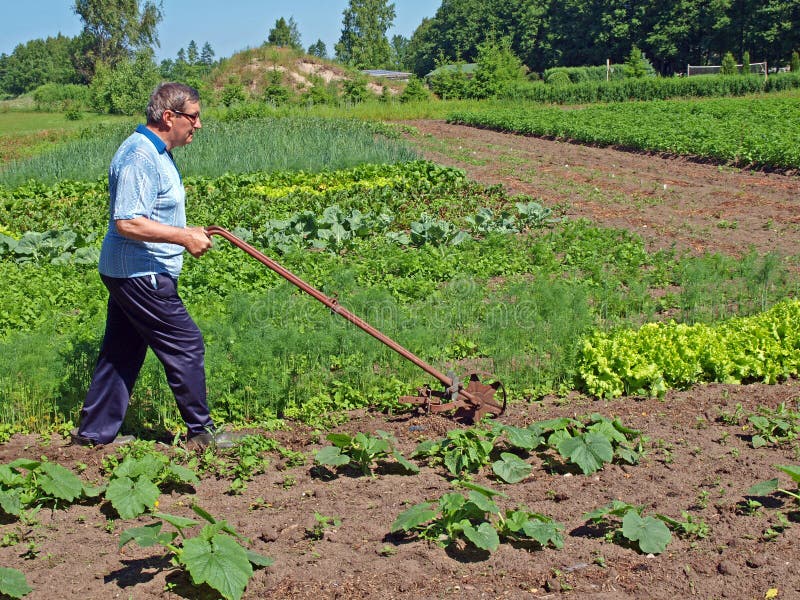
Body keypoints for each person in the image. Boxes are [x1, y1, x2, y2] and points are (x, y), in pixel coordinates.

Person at [72, 82, 237, 448]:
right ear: (169, 116)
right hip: (139, 271)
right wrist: (184, 238)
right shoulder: (140, 157)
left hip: (133, 269)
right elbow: (128, 222)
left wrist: (186, 230)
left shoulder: (157, 152)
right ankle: (201, 433)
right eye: (193, 117)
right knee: (186, 344)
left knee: (122, 351)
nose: (198, 125)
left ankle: (92, 435)